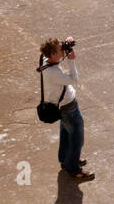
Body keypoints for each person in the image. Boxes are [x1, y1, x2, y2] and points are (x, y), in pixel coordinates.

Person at [39, 37, 94, 182]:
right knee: (77, 139)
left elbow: (56, 56)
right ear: (52, 55)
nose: (62, 50)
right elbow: (74, 79)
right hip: (68, 108)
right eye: (60, 50)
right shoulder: (53, 73)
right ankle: (73, 168)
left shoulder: (45, 61)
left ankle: (65, 159)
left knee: (66, 135)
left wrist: (66, 44)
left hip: (62, 107)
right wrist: (71, 60)